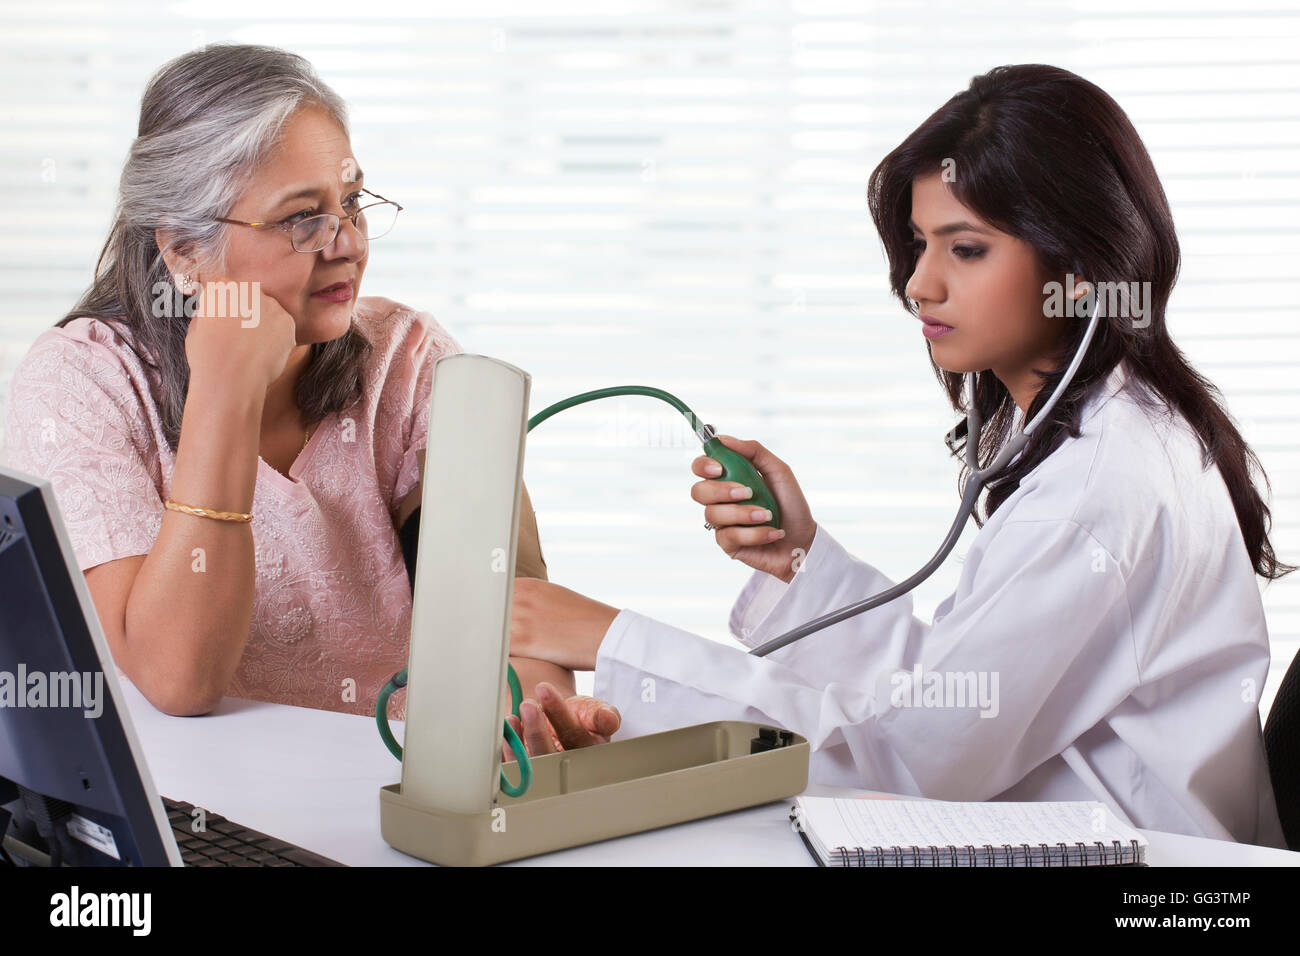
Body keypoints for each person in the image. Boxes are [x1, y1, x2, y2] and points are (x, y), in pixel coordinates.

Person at [507, 64, 1295, 847]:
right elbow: (952, 694)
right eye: (920, 245)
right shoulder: (1120, 428)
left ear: (1079, 268)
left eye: (968, 250)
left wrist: (616, 642)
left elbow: (908, 764)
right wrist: (797, 559)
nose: (920, 283)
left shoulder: (1093, 495)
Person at [2, 43, 618, 746]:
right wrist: (225, 387)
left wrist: (528, 715)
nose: (348, 242)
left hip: (383, 797)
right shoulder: (81, 384)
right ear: (182, 251)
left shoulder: (408, 359)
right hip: (202, 820)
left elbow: (514, 610)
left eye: (351, 203)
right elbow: (178, 678)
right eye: (303, 218)